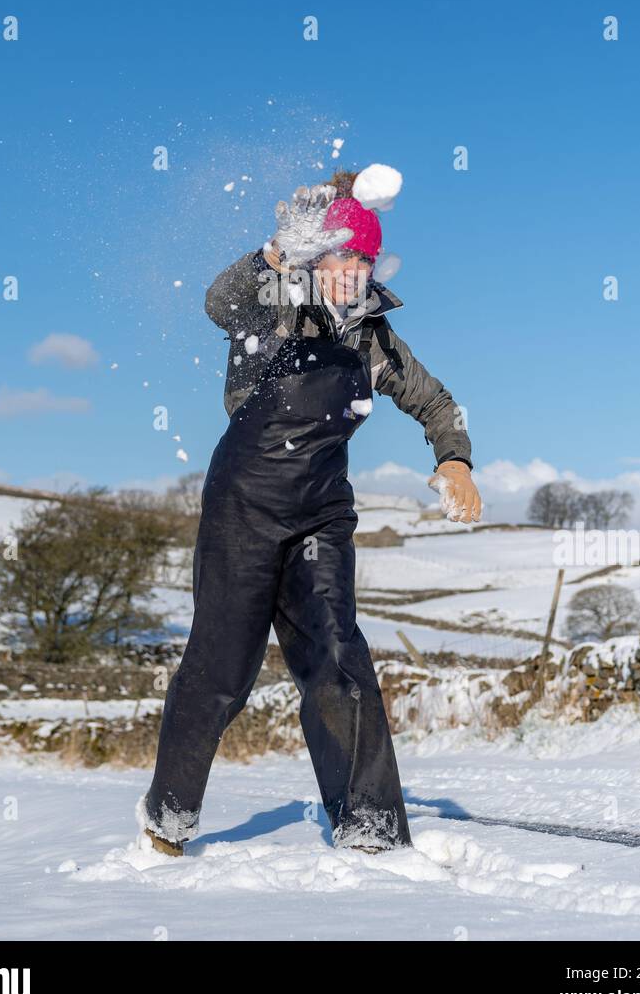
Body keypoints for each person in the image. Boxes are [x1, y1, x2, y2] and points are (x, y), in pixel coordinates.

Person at [138, 171, 482, 856]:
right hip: (245, 505)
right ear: (315, 260)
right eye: (341, 257)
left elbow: (437, 402)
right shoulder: (273, 300)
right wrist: (272, 252)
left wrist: (456, 459)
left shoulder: (373, 336)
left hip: (322, 513)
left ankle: (370, 828)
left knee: (338, 661)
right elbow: (218, 303)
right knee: (221, 668)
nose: (352, 272)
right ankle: (170, 817)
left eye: (363, 260)